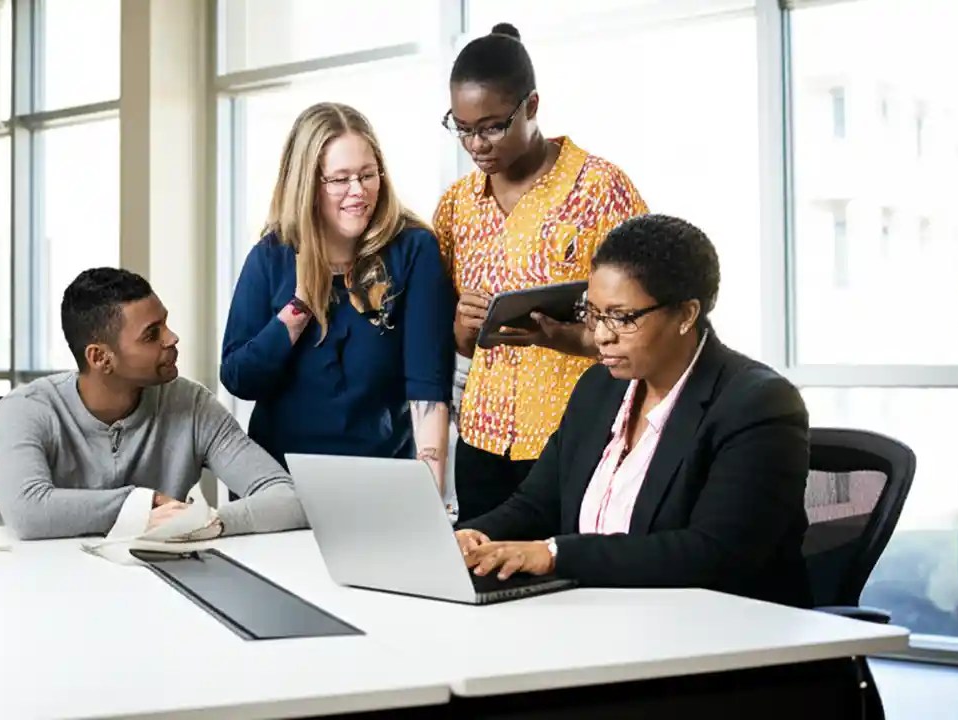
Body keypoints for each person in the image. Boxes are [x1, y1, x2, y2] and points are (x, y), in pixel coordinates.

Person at [455, 215, 814, 608]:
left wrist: (556, 554)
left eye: (622, 318)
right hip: (595, 619)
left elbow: (715, 554)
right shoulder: (599, 388)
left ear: (686, 314)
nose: (602, 335)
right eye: (592, 314)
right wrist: (471, 537)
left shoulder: (757, 403)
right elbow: (537, 505)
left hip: (714, 636)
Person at [433, 22, 648, 522]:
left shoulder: (600, 190)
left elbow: (646, 328)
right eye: (462, 128)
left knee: (565, 584)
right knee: (479, 573)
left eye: (491, 126)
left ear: (531, 107)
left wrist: (563, 337)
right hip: (481, 439)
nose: (476, 144)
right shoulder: (456, 207)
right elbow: (456, 346)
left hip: (575, 434)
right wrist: (462, 328)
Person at [220, 103, 456, 496]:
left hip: (376, 481)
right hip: (279, 485)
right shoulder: (271, 256)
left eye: (367, 175)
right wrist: (298, 309)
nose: (358, 192)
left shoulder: (413, 250)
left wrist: (430, 493)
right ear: (307, 184)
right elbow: (239, 378)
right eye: (340, 179)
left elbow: (427, 386)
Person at [0, 267, 307, 541]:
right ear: (100, 357)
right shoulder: (26, 409)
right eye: (151, 334)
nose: (172, 338)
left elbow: (287, 497)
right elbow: (26, 511)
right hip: (50, 587)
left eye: (165, 324)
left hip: (165, 585)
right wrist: (141, 506)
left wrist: (209, 522)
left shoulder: (192, 405)